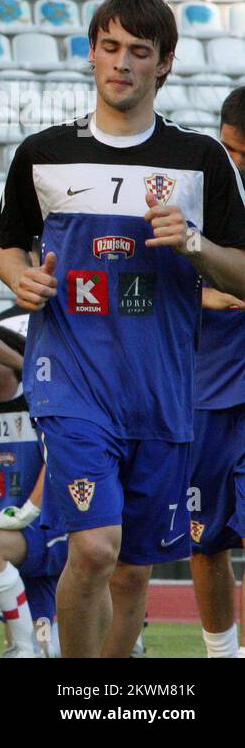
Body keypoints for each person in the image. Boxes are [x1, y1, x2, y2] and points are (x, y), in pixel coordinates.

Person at [0, 0, 245, 657]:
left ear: (164, 63)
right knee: (96, 549)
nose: (122, 63)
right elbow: (5, 242)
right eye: (110, 47)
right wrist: (17, 275)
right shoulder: (43, 152)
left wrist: (195, 244)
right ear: (92, 53)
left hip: (162, 390)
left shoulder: (199, 161)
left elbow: (241, 273)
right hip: (72, 380)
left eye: (139, 51)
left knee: (132, 569)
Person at [0, 326, 64, 658]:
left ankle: (22, 649)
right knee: (47, 642)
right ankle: (30, 646)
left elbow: (56, 461)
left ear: (8, 354)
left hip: (48, 529)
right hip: (12, 533)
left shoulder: (39, 401)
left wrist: (29, 510)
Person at [187, 86, 245, 658]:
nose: (239, 163)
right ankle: (222, 656)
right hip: (206, 386)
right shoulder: (200, 188)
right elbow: (153, 267)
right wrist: (204, 293)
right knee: (205, 538)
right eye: (232, 149)